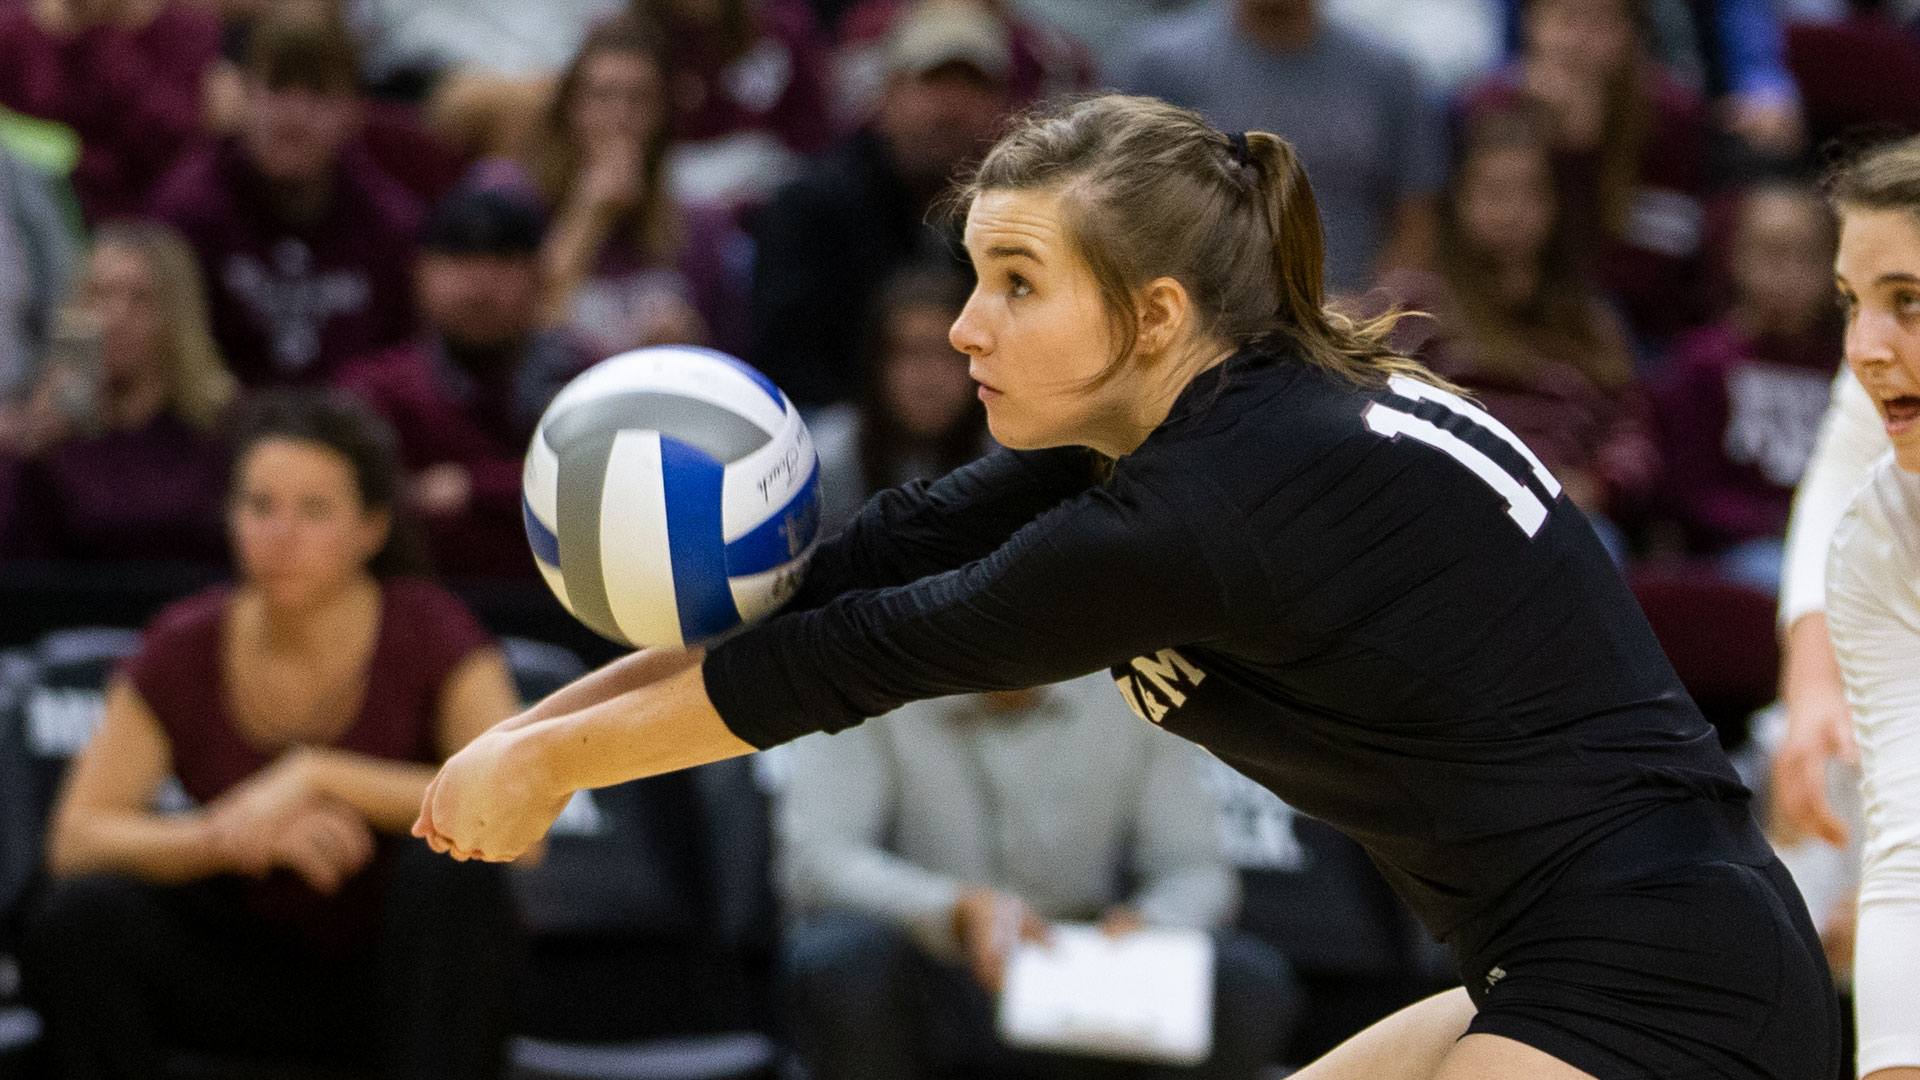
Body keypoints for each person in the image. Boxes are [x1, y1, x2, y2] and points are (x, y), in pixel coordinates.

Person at [416, 94, 1842, 1080]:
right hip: (1582, 959)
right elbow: (837, 581)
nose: (969, 326)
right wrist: (522, 746)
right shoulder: (1170, 426)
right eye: (973, 279)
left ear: (1154, 313)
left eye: (1019, 283)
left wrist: (547, 769)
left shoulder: (1216, 502)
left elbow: (841, 667)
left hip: (1667, 981)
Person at [21, 388, 523, 1080]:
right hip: (237, 972)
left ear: (371, 528)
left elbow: (518, 818)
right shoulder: (184, 641)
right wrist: (231, 834)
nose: (280, 533)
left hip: (395, 980)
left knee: (453, 874)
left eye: (314, 510)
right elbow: (76, 839)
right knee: (77, 918)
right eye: (260, 506)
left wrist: (316, 773)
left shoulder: (431, 628)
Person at [778, 675, 1297, 1079]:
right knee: (842, 962)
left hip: (1088, 976)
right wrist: (950, 909)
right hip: (936, 973)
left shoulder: (1133, 687)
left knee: (1242, 983)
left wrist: (1152, 922)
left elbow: (1195, 867)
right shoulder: (872, 682)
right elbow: (817, 858)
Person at [1384, 106, 1654, 559]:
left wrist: (1597, 486)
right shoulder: (1414, 307)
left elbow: (1634, 434)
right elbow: (1371, 416)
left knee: (1598, 547)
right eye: (1494, 193)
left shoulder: (1591, 323)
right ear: (1461, 202)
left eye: (1530, 194)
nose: (1512, 212)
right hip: (1444, 508)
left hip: (1561, 518)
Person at [747, 0, 1012, 407]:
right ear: (887, 95)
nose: (950, 108)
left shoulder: (1020, 219)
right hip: (843, 437)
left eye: (972, 86)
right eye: (932, 82)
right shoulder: (812, 209)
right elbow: (785, 364)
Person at [150, 5, 421, 387]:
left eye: (318, 94)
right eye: (277, 88)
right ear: (243, 97)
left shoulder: (392, 225)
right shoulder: (186, 212)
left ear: (354, 112)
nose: (293, 117)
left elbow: (401, 363)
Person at [335, 186, 593, 579]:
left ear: (541, 276)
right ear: (419, 274)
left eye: (503, 262)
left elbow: (600, 498)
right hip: (421, 613)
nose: (480, 284)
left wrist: (473, 488)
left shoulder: (590, 383)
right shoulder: (376, 390)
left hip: (577, 617)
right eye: (458, 260)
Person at [1813, 133, 1920, 1080]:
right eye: (1852, 304)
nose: (1864, 350)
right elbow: (1907, 856)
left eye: (1910, 303)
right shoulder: (1878, 541)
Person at [1114, 0, 1446, 297]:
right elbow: (1131, 211)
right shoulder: (1162, 65)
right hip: (1208, 320)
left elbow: (1417, 214)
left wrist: (1372, 314)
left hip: (1353, 324)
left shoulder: (1388, 73)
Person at [463, 14, 738, 359]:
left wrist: (688, 343)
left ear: (662, 114)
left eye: (639, 98)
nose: (619, 115)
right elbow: (500, 343)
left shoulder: (699, 224)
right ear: (569, 108)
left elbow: (729, 358)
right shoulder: (505, 192)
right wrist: (589, 215)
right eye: (601, 96)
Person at [1460, 0, 1713, 349]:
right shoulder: (1488, 105)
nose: (1579, 41)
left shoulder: (1671, 115)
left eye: (1600, 23)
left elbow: (1659, 270)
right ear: (1531, 25)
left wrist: (1583, 154)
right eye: (1567, 20)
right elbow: (1469, 238)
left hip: (1631, 327)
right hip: (1498, 302)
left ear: (1629, 34)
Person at [3, 220, 234, 565]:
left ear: (176, 316)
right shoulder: (45, 439)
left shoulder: (220, 428)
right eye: (100, 295)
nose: (114, 317)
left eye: (140, 299)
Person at [1655, 183, 1841, 591]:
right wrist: (1773, 523)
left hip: (1836, 547)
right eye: (1773, 253)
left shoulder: (1848, 370)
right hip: (1741, 555)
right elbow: (1686, 493)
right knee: (1778, 575)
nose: (1791, 272)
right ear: (1737, 257)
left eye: (1808, 256)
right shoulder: (1703, 361)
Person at [808, 261, 991, 534]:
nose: (933, 375)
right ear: (876, 364)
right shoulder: (822, 465)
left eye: (952, 354)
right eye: (913, 352)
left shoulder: (1010, 461)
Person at [0, 0, 221, 224]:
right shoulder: (21, 28)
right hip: (32, 200)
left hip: (142, 213)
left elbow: (170, 133)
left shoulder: (186, 27)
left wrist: (101, 37)